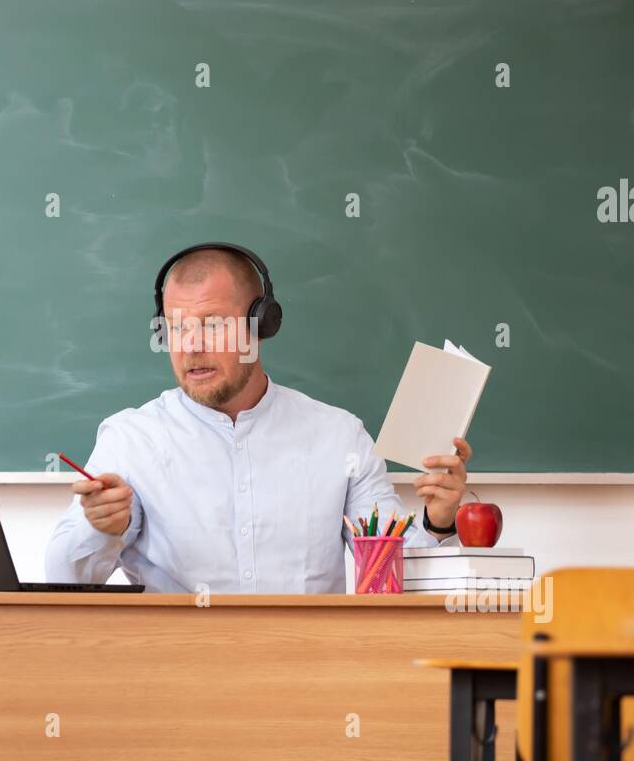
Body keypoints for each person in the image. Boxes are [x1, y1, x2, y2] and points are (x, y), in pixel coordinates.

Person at [45, 242, 473, 593]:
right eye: (176, 328)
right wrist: (100, 527)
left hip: (311, 675)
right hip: (179, 677)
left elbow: (400, 582)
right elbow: (62, 581)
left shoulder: (338, 436)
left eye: (211, 324)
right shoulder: (130, 440)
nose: (191, 346)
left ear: (260, 324)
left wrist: (439, 521)